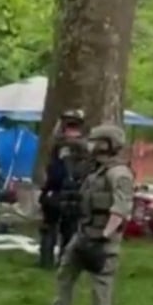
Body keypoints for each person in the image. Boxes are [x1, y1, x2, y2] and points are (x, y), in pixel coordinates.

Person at [44, 124, 134, 305]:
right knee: (65, 272)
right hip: (83, 233)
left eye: (95, 141)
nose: (90, 145)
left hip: (103, 240)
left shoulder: (119, 174)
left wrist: (104, 236)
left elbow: (120, 210)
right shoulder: (95, 171)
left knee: (101, 284)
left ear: (106, 144)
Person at [38, 110, 90, 268]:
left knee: (50, 227)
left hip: (58, 192)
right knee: (69, 230)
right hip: (78, 193)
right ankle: (65, 260)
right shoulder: (87, 148)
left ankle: (47, 261)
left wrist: (46, 190)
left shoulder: (62, 146)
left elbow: (56, 172)